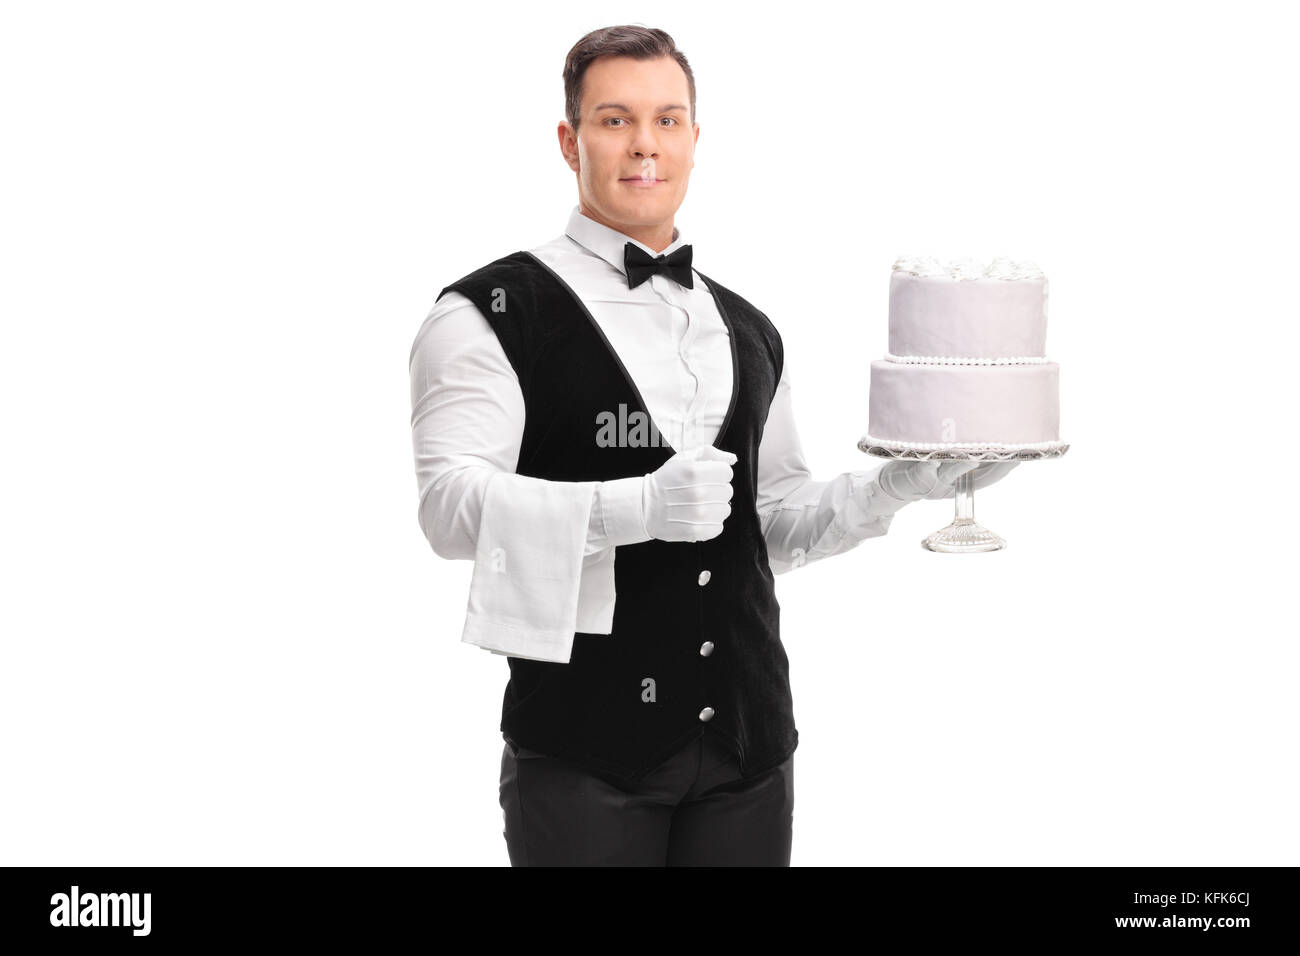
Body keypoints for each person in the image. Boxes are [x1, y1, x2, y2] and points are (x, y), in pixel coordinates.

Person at [408, 24, 1017, 866]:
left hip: (749, 748)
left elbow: (771, 526)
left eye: (667, 119)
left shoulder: (750, 327)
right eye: (614, 119)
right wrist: (637, 506)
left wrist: (897, 487)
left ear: (696, 138)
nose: (644, 145)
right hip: (585, 756)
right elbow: (446, 512)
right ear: (568, 139)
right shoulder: (488, 312)